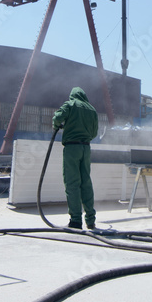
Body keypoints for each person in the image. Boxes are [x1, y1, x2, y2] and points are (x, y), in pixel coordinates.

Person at [51, 86, 98, 230]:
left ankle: (76, 221)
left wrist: (57, 125)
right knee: (86, 183)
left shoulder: (70, 104)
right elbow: (94, 132)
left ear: (73, 96)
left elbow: (58, 118)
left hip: (72, 148)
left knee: (72, 183)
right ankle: (90, 220)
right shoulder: (92, 110)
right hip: (86, 148)